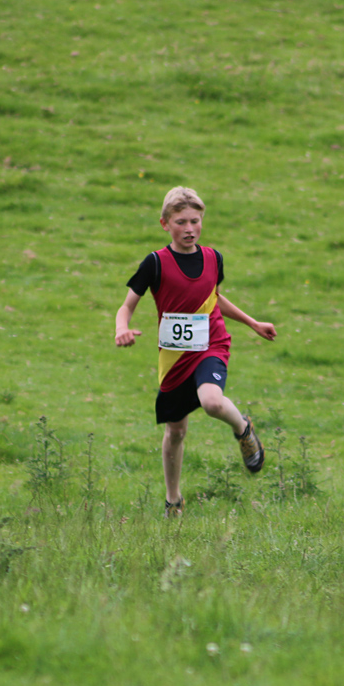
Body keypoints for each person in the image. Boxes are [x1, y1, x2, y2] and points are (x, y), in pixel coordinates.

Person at [114, 186, 277, 517]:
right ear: (165, 224)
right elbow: (126, 306)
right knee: (176, 431)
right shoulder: (155, 263)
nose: (189, 229)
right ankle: (173, 501)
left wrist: (251, 322)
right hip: (174, 356)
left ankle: (243, 430)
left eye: (195, 221)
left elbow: (214, 297)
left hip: (211, 345)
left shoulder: (213, 258)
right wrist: (122, 328)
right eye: (181, 222)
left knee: (212, 401)